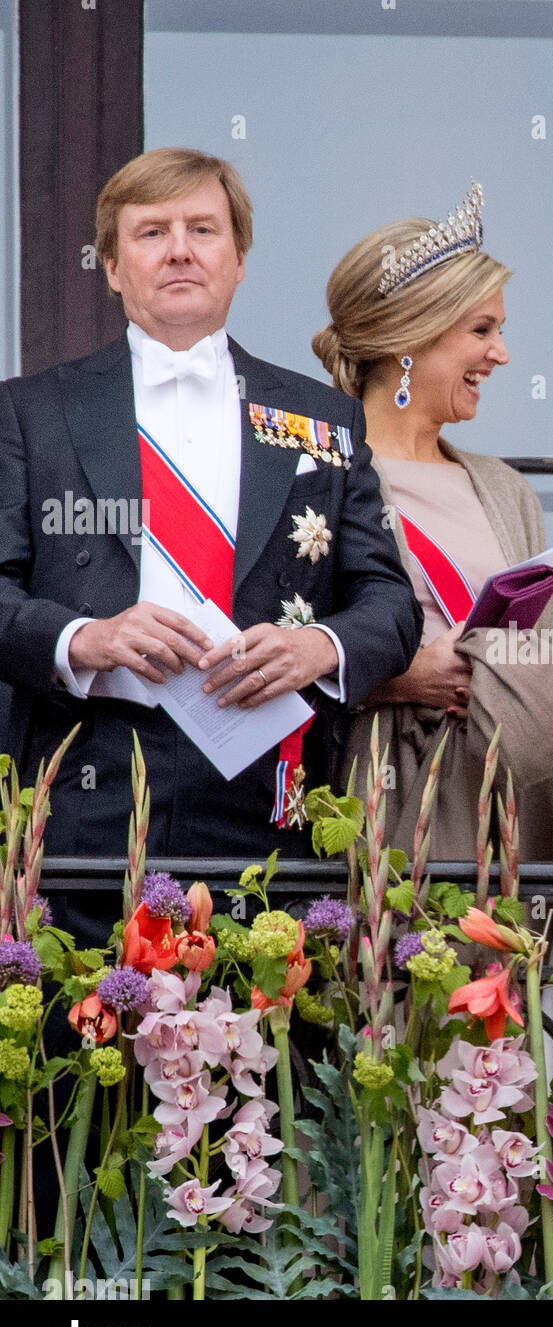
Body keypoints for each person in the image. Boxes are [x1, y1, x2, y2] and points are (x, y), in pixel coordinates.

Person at [0, 148, 422, 943]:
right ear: (114, 266)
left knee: (264, 1057)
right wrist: (85, 639)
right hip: (86, 787)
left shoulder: (322, 417)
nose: (181, 249)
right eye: (152, 232)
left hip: (268, 787)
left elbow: (392, 606)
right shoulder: (30, 411)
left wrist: (319, 648)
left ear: (238, 261)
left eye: (203, 228)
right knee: (84, 1055)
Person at [312, 182, 553, 860]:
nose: (501, 354)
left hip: (505, 801)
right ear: (409, 340)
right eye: (481, 331)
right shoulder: (314, 475)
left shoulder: (504, 488)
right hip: (384, 799)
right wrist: (398, 679)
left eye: (500, 332)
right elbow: (255, 646)